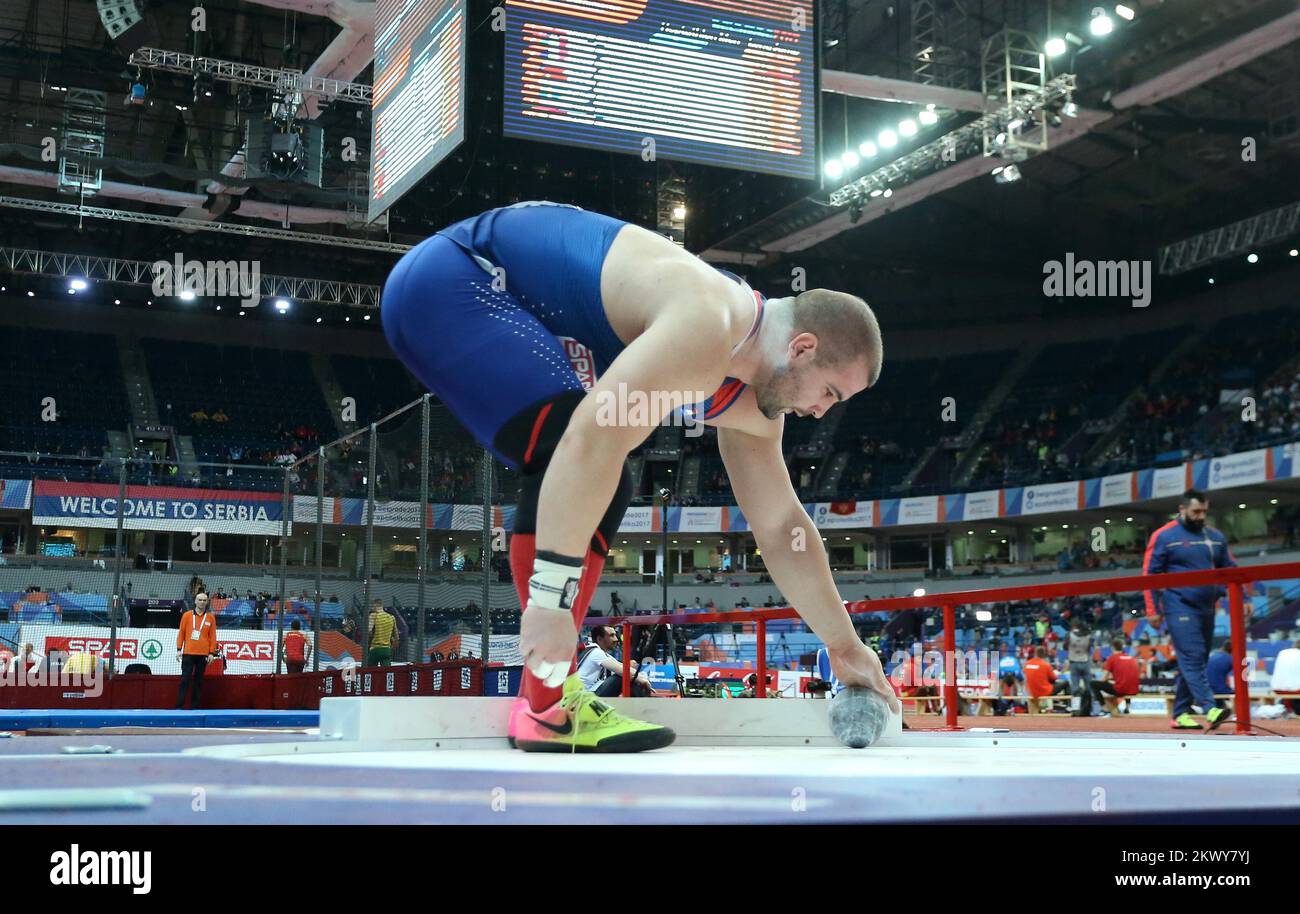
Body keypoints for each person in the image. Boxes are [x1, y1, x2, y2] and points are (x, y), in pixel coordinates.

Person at [382, 200, 894, 752]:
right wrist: (550, 604)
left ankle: (545, 705)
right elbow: (589, 442)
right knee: (577, 454)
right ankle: (546, 710)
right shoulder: (708, 325)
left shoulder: (751, 401)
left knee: (599, 476)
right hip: (456, 278)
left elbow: (780, 526)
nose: (820, 412)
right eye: (829, 393)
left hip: (483, 296)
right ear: (802, 347)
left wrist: (844, 645)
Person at [1143, 489, 1238, 730]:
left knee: (1198, 659)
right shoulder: (1164, 536)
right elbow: (1149, 574)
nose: (1201, 516)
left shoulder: (1215, 536)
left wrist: (1243, 597)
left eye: (1204, 511)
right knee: (1193, 656)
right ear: (1182, 509)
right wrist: (1152, 609)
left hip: (1207, 607)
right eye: (1196, 511)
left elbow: (1230, 568)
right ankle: (1210, 708)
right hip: (1179, 606)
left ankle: (1180, 713)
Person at [176, 591, 219, 710]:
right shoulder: (187, 615)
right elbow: (181, 633)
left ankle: (194, 707)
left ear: (207, 602)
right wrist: (179, 649)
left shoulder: (210, 617)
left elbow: (213, 636)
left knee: (198, 681)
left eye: (204, 600)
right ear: (195, 601)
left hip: (203, 655)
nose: (202, 602)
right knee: (185, 680)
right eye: (200, 600)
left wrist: (211, 653)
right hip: (188, 653)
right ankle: (179, 706)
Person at [1091, 638, 1140, 715]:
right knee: (1127, 683)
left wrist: (1108, 680)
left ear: (1112, 648)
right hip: (1134, 689)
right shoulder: (1131, 658)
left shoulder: (1112, 658)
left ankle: (1104, 707)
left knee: (1092, 684)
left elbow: (1104, 679)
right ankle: (1127, 706)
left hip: (1120, 690)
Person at [1063, 622, 1093, 716]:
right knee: (1089, 687)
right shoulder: (1088, 635)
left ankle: (1075, 710)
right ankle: (1089, 709)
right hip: (1085, 661)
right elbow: (1089, 649)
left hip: (1074, 662)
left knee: (1075, 688)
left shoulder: (1069, 635)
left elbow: (1065, 647)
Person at [367, 601, 396, 666]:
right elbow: (396, 635)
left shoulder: (373, 615)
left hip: (375, 648)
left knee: (370, 670)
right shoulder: (391, 617)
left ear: (375, 606)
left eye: (372, 607)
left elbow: (369, 631)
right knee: (387, 670)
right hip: (387, 649)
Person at [1205, 639, 1234, 705]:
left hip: (1209, 690)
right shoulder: (1230, 659)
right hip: (1221, 691)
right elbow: (1243, 673)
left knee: (1220, 705)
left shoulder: (1213, 656)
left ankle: (1221, 708)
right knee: (1242, 694)